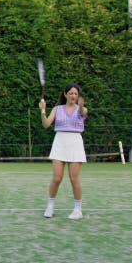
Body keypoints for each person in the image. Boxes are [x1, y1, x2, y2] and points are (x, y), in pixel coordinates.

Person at [39, 83, 88, 220]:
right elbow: (46, 124)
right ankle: (50, 207)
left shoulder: (81, 109)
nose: (73, 96)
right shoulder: (57, 109)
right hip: (59, 142)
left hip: (75, 143)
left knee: (74, 179)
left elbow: (84, 112)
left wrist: (82, 105)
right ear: (65, 94)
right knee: (57, 178)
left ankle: (78, 210)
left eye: (76, 94)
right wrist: (43, 110)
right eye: (71, 93)